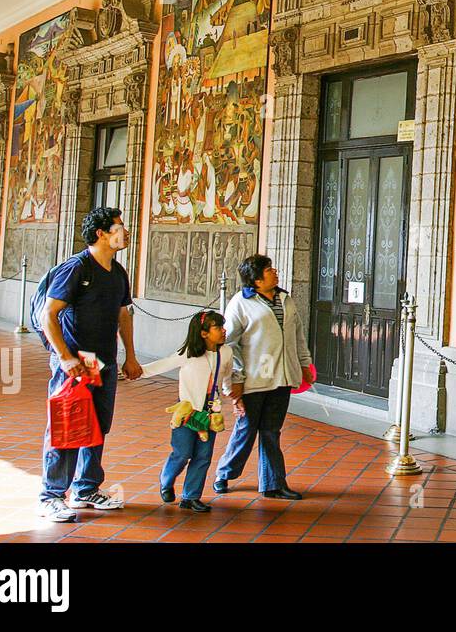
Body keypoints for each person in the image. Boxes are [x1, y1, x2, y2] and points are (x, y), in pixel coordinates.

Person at [38, 206, 143, 524]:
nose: (125, 231)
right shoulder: (76, 268)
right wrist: (66, 358)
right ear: (101, 233)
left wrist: (131, 356)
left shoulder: (118, 272)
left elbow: (123, 315)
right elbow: (49, 316)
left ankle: (85, 489)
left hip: (104, 362)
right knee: (65, 427)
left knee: (97, 426)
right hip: (76, 364)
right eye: (119, 226)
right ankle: (51, 496)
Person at [213, 255, 313, 500]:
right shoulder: (241, 303)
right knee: (246, 430)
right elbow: (230, 343)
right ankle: (224, 473)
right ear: (256, 279)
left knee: (271, 431)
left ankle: (273, 484)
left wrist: (304, 363)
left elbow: (297, 335)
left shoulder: (285, 299)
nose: (274, 271)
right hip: (253, 378)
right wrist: (235, 377)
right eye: (268, 269)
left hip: (282, 376)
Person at [142, 310, 234, 512]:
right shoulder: (189, 353)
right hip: (187, 412)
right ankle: (166, 480)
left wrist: (233, 395)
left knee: (203, 456)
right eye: (218, 328)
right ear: (203, 333)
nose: (223, 331)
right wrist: (136, 371)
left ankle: (191, 496)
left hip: (210, 415)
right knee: (182, 453)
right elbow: (162, 364)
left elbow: (227, 375)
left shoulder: (225, 352)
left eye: (222, 327)